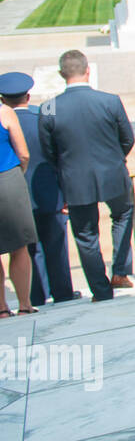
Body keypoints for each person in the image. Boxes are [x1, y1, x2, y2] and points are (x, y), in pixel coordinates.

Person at [38, 50, 135, 303]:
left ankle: (101, 291)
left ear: (62, 74)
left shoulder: (48, 108)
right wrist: (114, 159)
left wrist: (66, 170)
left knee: (86, 235)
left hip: (75, 180)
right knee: (123, 215)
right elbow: (128, 139)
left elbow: (49, 152)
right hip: (113, 174)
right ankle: (121, 273)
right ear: (88, 70)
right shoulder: (110, 100)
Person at [1, 72, 78, 305]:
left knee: (28, 249)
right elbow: (62, 155)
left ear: (3, 99)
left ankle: (36, 296)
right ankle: (63, 293)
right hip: (48, 190)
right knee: (56, 244)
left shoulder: (5, 118)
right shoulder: (44, 114)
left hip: (14, 195)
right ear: (28, 95)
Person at [0, 74, 37, 317]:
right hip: (7, 178)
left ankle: (2, 308)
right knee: (19, 246)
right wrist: (18, 173)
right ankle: (24, 304)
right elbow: (23, 153)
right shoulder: (5, 112)